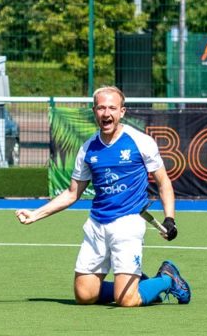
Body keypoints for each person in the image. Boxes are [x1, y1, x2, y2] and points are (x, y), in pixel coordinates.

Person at [15, 86, 190, 307]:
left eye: (112, 108)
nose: (106, 113)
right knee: (84, 296)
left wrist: (170, 219)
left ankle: (167, 278)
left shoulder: (141, 142)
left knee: (126, 300)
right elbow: (72, 193)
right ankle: (134, 284)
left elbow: (163, 182)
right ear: (94, 111)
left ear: (122, 112)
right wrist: (35, 214)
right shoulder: (88, 149)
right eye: (101, 108)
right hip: (97, 225)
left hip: (128, 222)